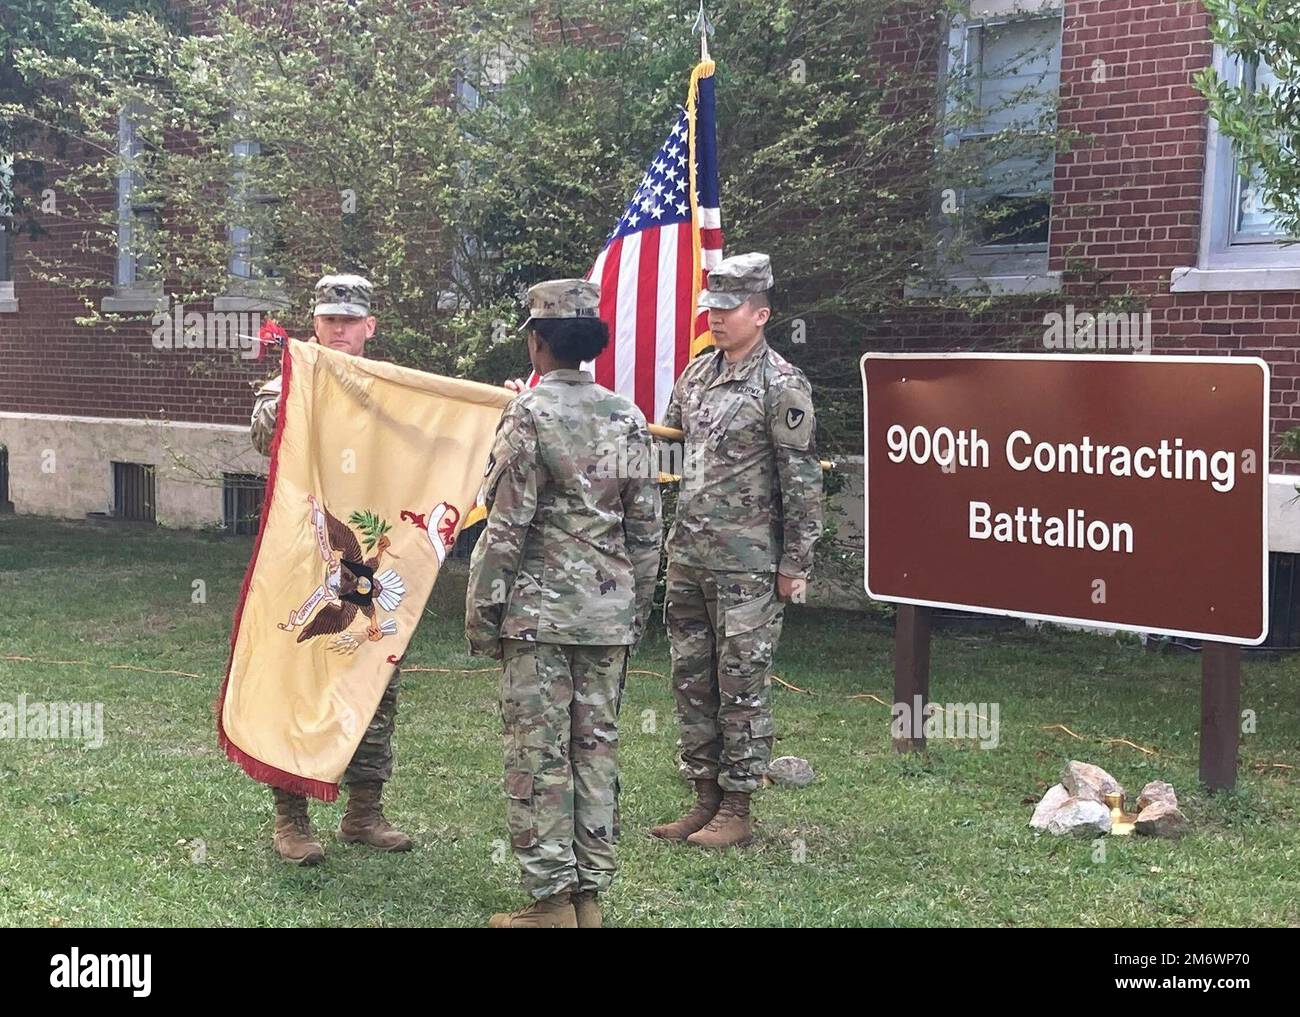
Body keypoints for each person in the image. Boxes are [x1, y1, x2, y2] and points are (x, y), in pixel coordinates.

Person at [466, 278, 662, 928]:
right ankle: (590, 899)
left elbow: (504, 530)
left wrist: (483, 614)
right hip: (608, 618)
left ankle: (551, 903)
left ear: (537, 341)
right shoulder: (629, 415)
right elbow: (646, 531)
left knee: (539, 754)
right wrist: (634, 612)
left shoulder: (528, 414)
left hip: (539, 620)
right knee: (595, 750)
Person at [649, 252, 823, 849]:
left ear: (761, 312)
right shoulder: (697, 377)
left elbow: (801, 480)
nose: (716, 319)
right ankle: (704, 798)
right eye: (711, 308)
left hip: (749, 565)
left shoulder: (782, 383)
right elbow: (665, 459)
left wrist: (795, 563)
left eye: (727, 309)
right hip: (691, 557)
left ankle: (739, 806)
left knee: (741, 684)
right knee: (692, 679)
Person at [249, 273, 413, 865]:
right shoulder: (289, 382)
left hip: (370, 559)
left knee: (375, 675)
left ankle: (363, 812)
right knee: (299, 676)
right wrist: (307, 387)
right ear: (313, 324)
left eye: (349, 320)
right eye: (328, 319)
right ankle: (291, 817)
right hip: (302, 558)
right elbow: (265, 433)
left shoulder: (395, 391)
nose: (338, 328)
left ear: (370, 327)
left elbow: (434, 441)